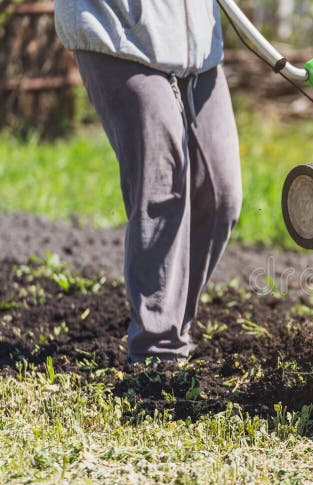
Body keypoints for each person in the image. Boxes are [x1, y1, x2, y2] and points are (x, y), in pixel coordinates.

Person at [54, 1, 243, 363]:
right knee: (163, 184)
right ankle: (158, 353)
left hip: (198, 44)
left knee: (221, 195)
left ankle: (173, 321)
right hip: (116, 29)